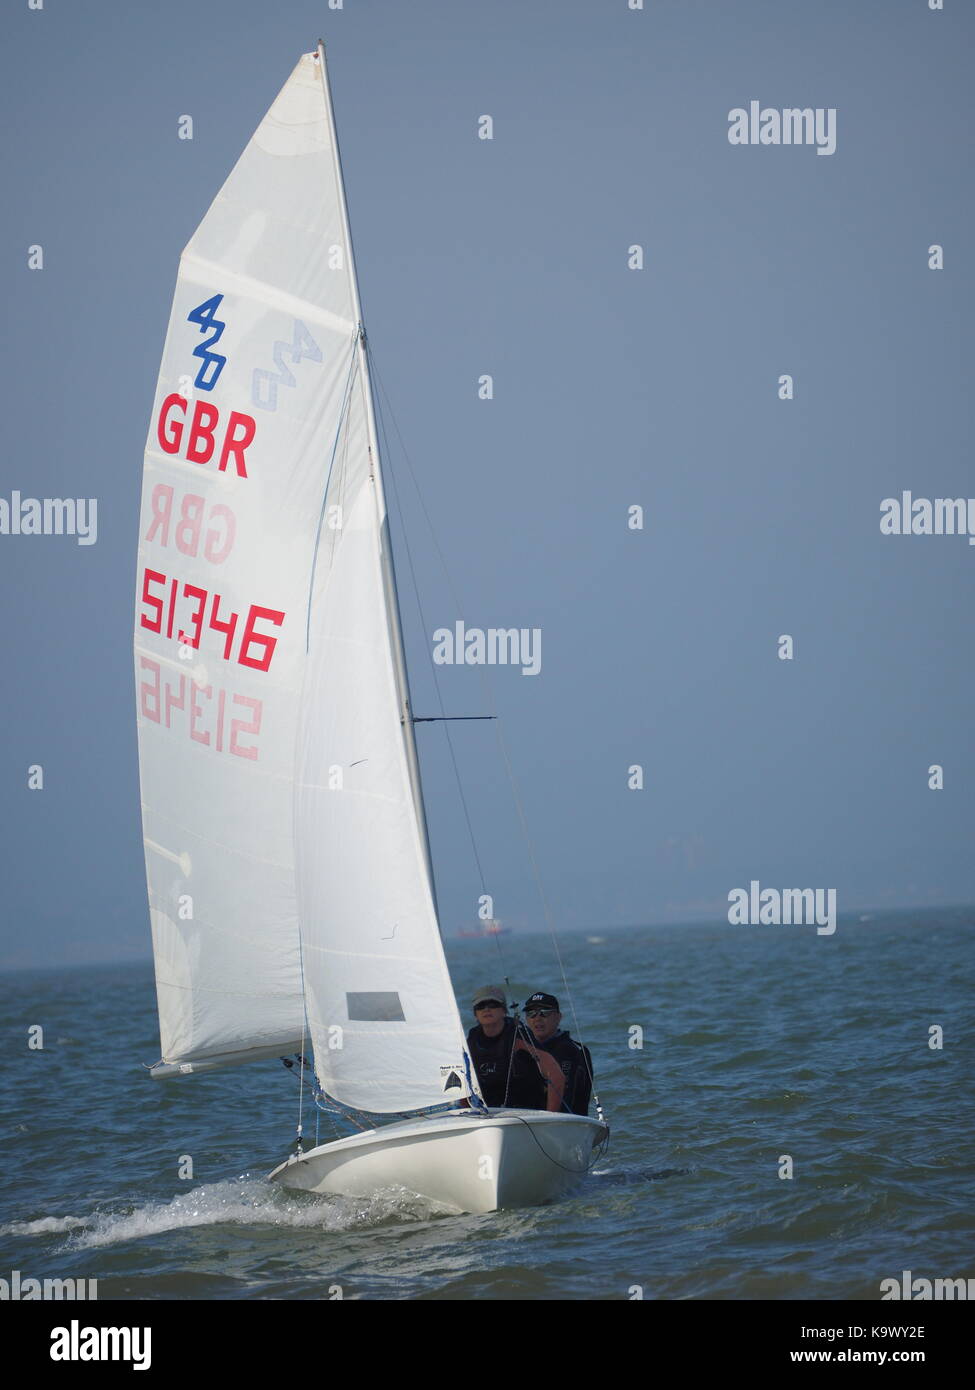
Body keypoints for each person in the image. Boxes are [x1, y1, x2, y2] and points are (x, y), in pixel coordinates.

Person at [465, 985, 565, 1112]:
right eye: (481, 1006)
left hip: (528, 1114)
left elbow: (556, 1076)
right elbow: (461, 1084)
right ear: (475, 1014)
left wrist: (551, 1117)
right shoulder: (472, 1040)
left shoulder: (518, 1035)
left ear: (504, 1010)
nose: (487, 1009)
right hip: (489, 1114)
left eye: (493, 1004)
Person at [523, 991, 593, 1116]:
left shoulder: (569, 1051)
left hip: (563, 1123)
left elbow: (568, 1097)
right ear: (526, 1020)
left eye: (544, 1012)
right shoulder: (521, 1049)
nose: (538, 1018)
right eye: (531, 1013)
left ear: (558, 1017)